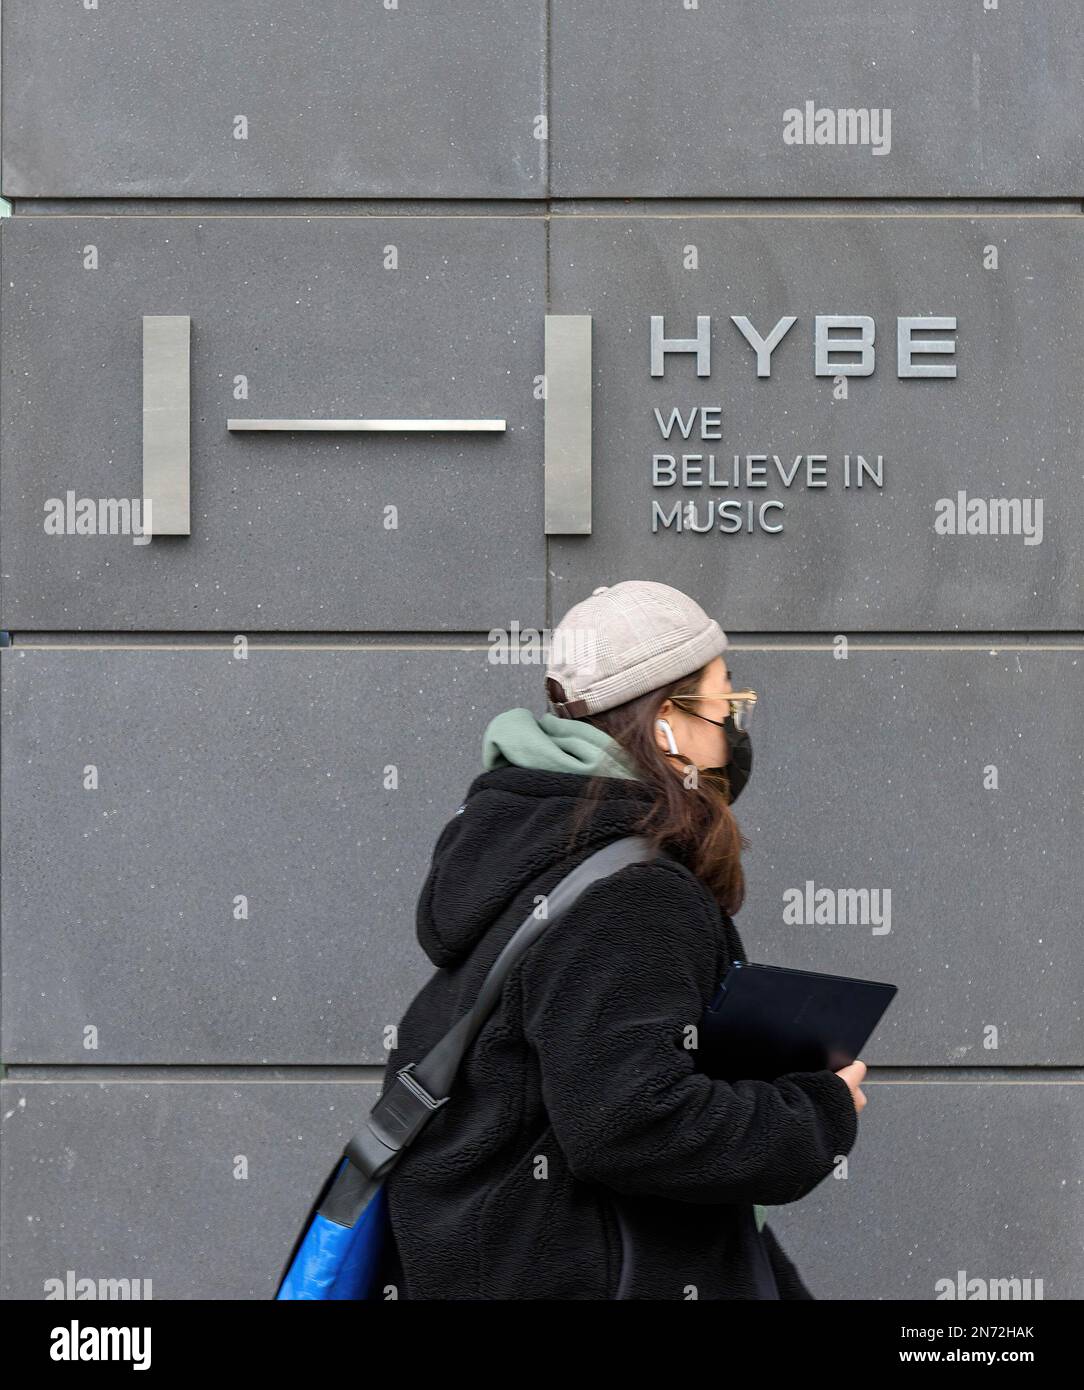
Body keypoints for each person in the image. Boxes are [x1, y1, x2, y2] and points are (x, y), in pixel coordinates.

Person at [376, 580, 867, 1299]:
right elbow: (631, 1120)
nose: (734, 727)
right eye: (724, 701)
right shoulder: (631, 894)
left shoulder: (541, 854)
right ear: (667, 723)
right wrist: (816, 1109)